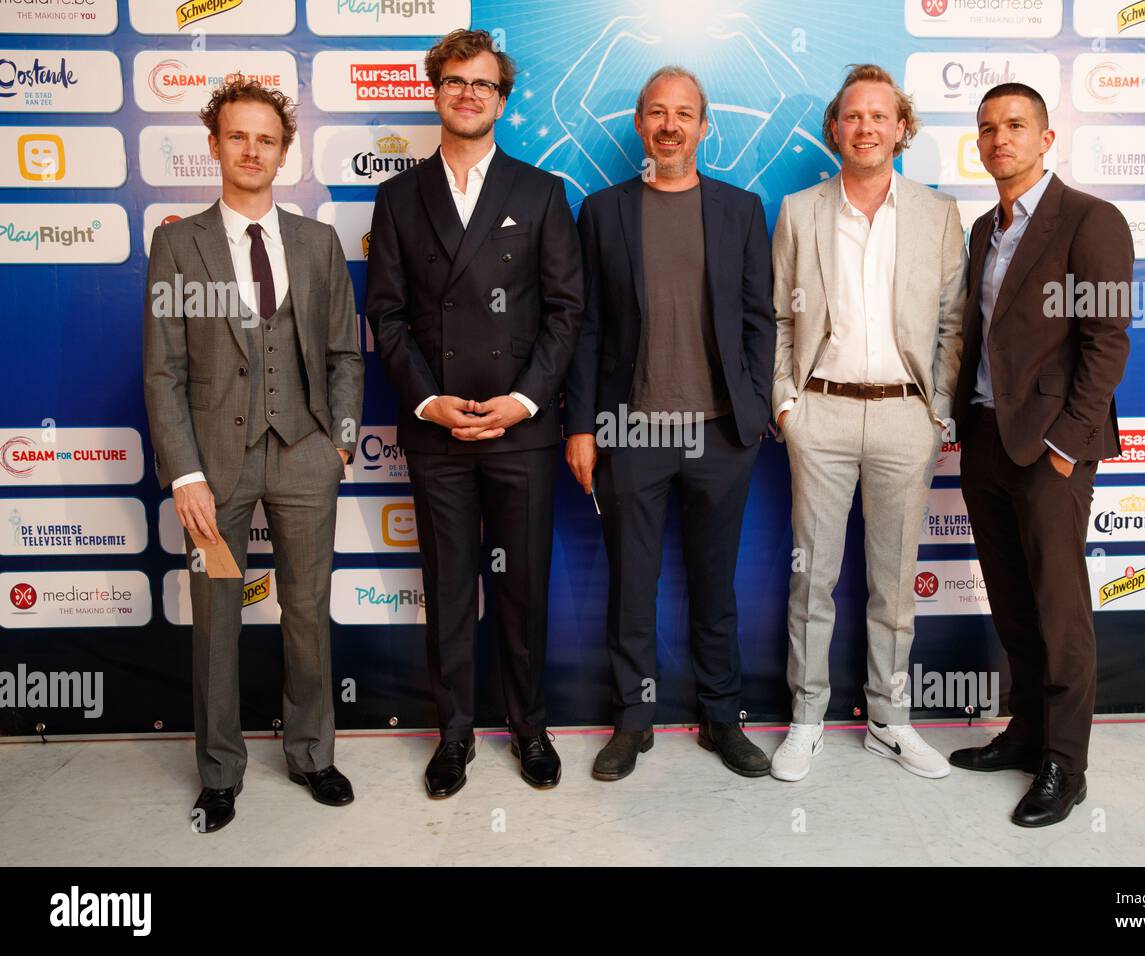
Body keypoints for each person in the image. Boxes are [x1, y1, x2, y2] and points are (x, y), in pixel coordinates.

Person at [143, 77, 364, 832]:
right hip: (214, 469)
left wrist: (339, 442)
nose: (251, 149)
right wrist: (186, 474)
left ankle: (311, 753)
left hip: (305, 457)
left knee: (306, 612)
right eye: (237, 136)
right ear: (214, 145)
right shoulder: (177, 243)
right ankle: (220, 771)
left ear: (284, 151)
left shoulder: (316, 242)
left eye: (265, 138)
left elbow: (344, 352)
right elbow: (163, 370)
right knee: (216, 618)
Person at [366, 29, 582, 798]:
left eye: (483, 84)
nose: (468, 93)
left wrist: (522, 400)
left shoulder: (542, 191)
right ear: (435, 90)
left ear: (502, 100)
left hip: (521, 432)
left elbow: (566, 312)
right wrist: (430, 401)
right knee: (449, 589)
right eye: (455, 80)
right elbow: (386, 317)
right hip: (438, 433)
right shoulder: (397, 197)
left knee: (524, 588)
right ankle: (453, 733)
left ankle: (530, 728)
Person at [564, 66, 776, 781]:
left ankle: (722, 718)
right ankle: (633, 722)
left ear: (703, 127)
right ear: (639, 124)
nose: (670, 125)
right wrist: (583, 427)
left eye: (684, 113)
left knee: (715, 587)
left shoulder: (741, 210)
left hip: (721, 434)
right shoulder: (603, 212)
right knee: (633, 585)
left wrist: (751, 410)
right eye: (657, 111)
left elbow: (758, 319)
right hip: (632, 435)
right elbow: (586, 328)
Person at [768, 64, 966, 782]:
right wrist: (787, 404)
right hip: (818, 415)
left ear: (902, 129)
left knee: (894, 581)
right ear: (835, 131)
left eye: (880, 117)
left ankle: (890, 720)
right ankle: (807, 719)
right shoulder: (799, 210)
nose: (866, 128)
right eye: (853, 117)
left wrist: (936, 410)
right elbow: (779, 319)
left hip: (903, 420)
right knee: (811, 578)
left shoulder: (938, 214)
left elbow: (953, 324)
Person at [948, 83, 1133, 828]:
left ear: (1046, 138)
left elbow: (1107, 342)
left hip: (1051, 449)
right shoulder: (984, 229)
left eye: (1015, 126)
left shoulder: (1089, 220)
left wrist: (1065, 446)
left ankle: (1066, 762)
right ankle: (1026, 733)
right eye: (988, 128)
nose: (1000, 139)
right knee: (1014, 602)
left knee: (1059, 612)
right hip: (988, 439)